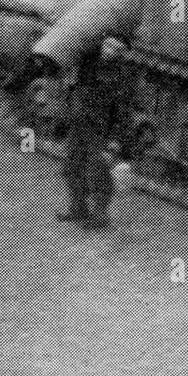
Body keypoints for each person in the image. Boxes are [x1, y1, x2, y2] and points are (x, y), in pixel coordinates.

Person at [59, 35, 129, 230]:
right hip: (79, 124)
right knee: (71, 167)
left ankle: (100, 215)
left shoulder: (122, 75)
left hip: (100, 130)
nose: (110, 51)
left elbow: (123, 112)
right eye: (108, 45)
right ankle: (78, 207)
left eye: (116, 49)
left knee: (98, 172)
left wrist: (115, 141)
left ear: (121, 53)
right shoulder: (88, 62)